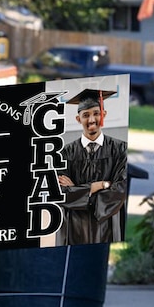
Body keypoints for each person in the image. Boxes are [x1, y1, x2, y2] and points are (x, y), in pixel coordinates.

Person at [56, 88, 127, 245]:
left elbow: (119, 191)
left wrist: (78, 191)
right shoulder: (65, 153)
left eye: (96, 113)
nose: (92, 119)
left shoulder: (120, 149)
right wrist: (101, 185)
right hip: (73, 228)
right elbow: (61, 194)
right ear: (78, 119)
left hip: (106, 226)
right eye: (86, 115)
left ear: (104, 115)